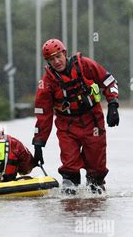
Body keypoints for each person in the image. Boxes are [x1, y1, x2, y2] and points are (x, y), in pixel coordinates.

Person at [32, 38, 119, 194]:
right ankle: (70, 198)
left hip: (92, 120)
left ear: (65, 53)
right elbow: (43, 114)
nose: (57, 61)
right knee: (69, 165)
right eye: (52, 59)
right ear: (48, 62)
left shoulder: (85, 65)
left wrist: (113, 104)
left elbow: (109, 81)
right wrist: (39, 143)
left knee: (96, 166)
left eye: (58, 56)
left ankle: (96, 190)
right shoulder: (47, 83)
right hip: (67, 126)